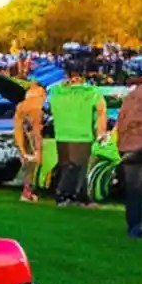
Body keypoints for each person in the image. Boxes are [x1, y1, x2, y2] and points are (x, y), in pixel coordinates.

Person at [49, 64, 106, 207]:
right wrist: (101, 133)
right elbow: (101, 112)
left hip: (62, 134)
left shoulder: (57, 91)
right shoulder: (91, 92)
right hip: (81, 134)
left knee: (66, 166)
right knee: (77, 167)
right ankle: (63, 196)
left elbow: (51, 107)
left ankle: (76, 197)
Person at [117, 78, 142, 238]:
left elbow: (121, 123)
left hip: (130, 146)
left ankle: (134, 226)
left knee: (134, 189)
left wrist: (120, 145)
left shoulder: (130, 98)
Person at [12, 82, 46, 203]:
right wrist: (38, 150)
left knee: (28, 166)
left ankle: (28, 192)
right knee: (35, 165)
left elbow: (17, 129)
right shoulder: (37, 107)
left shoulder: (21, 106)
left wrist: (21, 149)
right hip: (31, 137)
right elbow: (36, 131)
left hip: (23, 136)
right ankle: (30, 192)